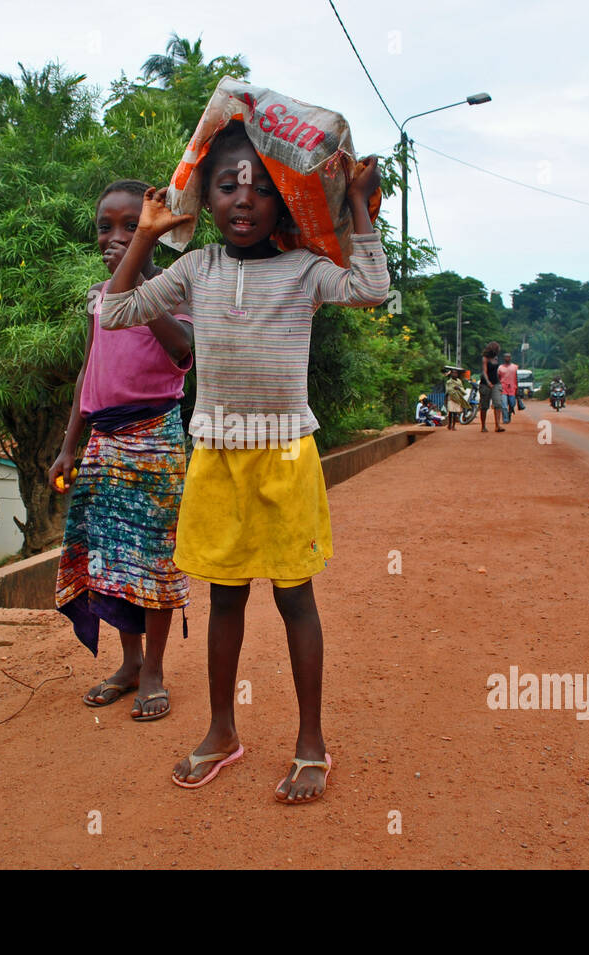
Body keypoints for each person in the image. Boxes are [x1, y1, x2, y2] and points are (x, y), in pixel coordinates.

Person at [101, 120, 389, 803]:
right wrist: (147, 232)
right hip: (218, 457)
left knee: (295, 599)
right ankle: (222, 731)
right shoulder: (195, 268)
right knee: (225, 598)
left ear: (283, 203)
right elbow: (113, 312)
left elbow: (372, 288)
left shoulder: (306, 271)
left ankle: (311, 741)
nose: (242, 198)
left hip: (286, 456)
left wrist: (354, 204)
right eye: (227, 184)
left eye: (260, 188)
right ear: (209, 196)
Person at [51, 179, 194, 722]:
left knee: (154, 559)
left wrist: (133, 280)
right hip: (104, 443)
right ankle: (129, 663)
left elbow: (182, 351)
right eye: (105, 227)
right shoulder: (98, 294)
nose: (115, 236)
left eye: (131, 227)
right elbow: (92, 370)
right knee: (111, 562)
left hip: (155, 439)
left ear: (157, 230)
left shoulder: (176, 287)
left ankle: (154, 670)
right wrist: (70, 447)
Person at [479, 342, 505, 433]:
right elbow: (484, 372)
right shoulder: (485, 358)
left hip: (496, 383)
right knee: (484, 406)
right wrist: (488, 382)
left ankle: (497, 425)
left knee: (498, 403)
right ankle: (483, 426)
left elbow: (497, 371)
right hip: (485, 384)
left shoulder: (496, 358)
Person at [498, 352, 520, 424]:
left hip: (512, 388)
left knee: (512, 403)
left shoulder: (515, 367)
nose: (507, 358)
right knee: (504, 405)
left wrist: (517, 388)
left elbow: (516, 378)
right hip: (503, 388)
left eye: (508, 357)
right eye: (506, 357)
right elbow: (498, 378)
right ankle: (505, 419)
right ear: (504, 358)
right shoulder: (500, 368)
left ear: (510, 358)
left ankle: (509, 413)